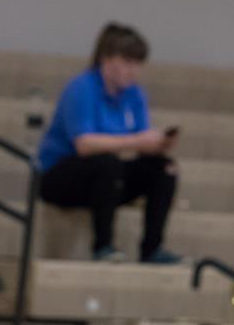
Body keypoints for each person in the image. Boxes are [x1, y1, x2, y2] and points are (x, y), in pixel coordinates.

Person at [36, 23, 180, 265]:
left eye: (137, 63)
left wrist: (156, 144)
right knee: (107, 163)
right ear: (106, 59)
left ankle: (152, 249)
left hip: (106, 180)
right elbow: (84, 145)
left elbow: (139, 142)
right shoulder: (82, 88)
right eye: (127, 62)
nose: (133, 71)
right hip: (59, 177)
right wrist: (137, 140)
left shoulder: (135, 94)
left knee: (164, 168)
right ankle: (103, 246)